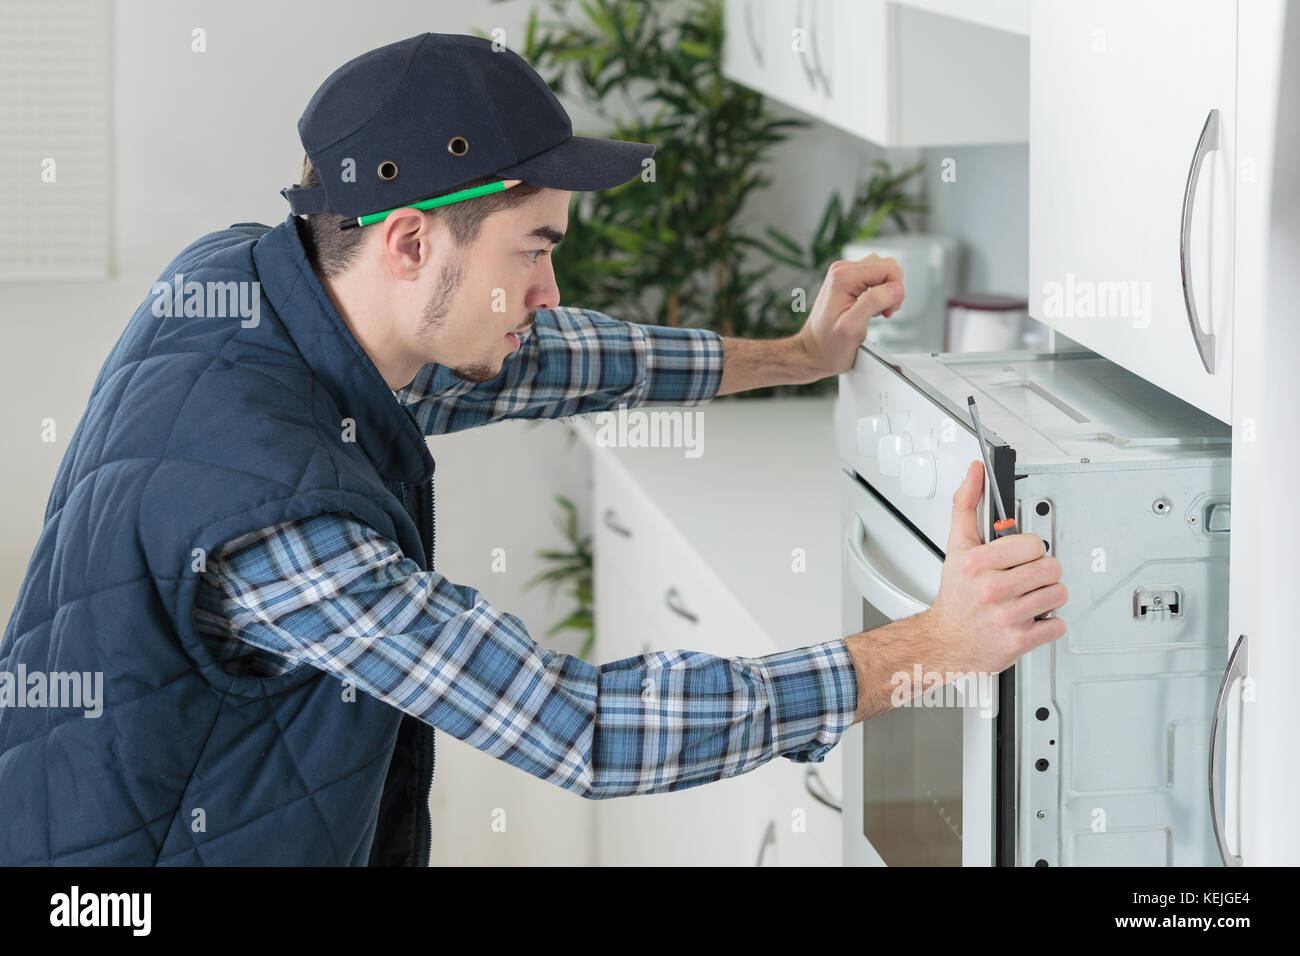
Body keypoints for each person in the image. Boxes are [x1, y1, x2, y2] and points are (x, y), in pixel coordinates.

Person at [0, 32, 1065, 866]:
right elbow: (581, 727)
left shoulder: (246, 280)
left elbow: (542, 355)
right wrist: (930, 646)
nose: (549, 291)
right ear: (412, 239)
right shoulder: (287, 531)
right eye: (535, 250)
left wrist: (798, 353)